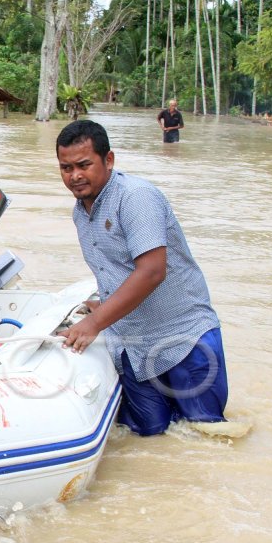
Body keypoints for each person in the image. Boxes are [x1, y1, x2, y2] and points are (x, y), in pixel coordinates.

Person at [56, 119, 228, 436]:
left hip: (182, 339)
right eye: (66, 167)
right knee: (149, 436)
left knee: (206, 437)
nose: (75, 175)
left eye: (84, 165)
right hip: (132, 345)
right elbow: (113, 266)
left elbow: (152, 271)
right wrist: (104, 303)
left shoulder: (135, 198)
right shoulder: (81, 211)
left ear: (108, 160)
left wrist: (95, 323)